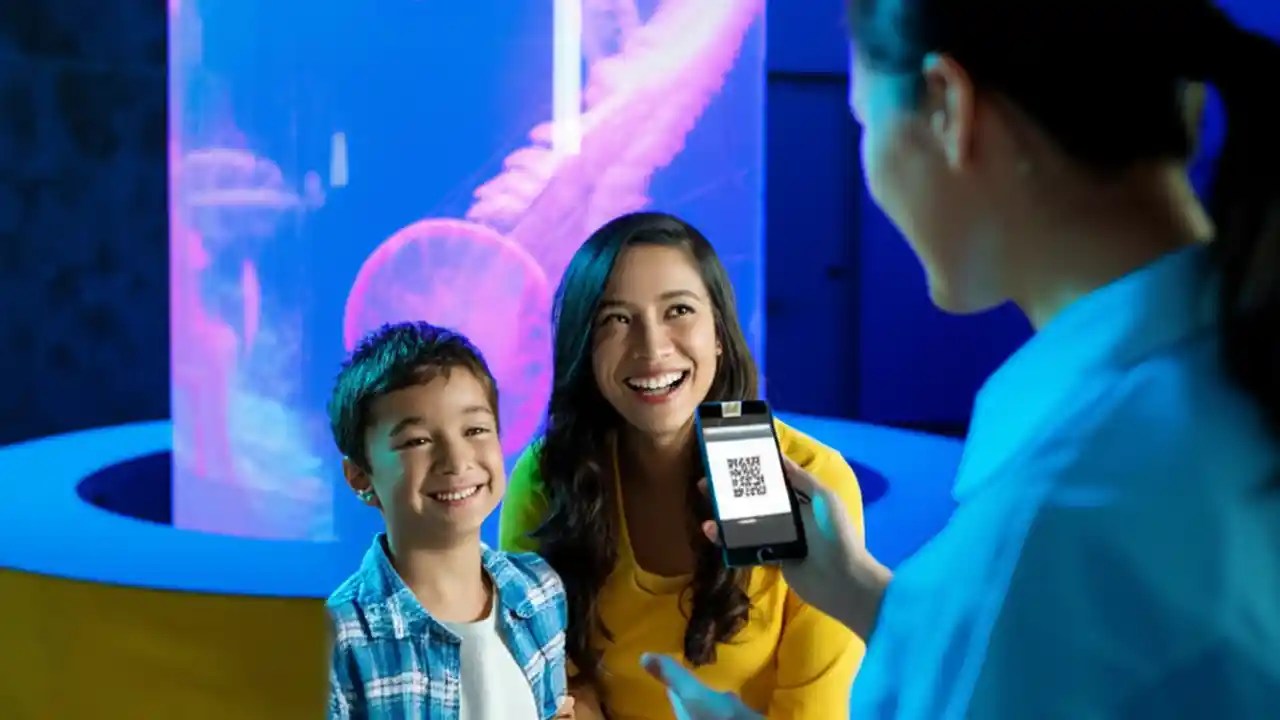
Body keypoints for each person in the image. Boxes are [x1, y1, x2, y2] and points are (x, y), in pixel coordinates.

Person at [646, 0, 1280, 717]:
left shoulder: (1054, 519)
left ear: (948, 106)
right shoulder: (1228, 380)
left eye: (864, 121)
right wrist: (866, 594)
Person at [499, 211, 868, 720]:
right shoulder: (547, 477)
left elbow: (815, 707)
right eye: (616, 320)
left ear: (718, 331)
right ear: (586, 347)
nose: (652, 348)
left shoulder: (808, 477)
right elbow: (549, 680)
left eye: (678, 311)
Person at [325, 321, 575, 720]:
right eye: (417, 441)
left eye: (475, 430)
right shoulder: (343, 641)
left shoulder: (540, 592)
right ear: (359, 475)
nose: (458, 461)